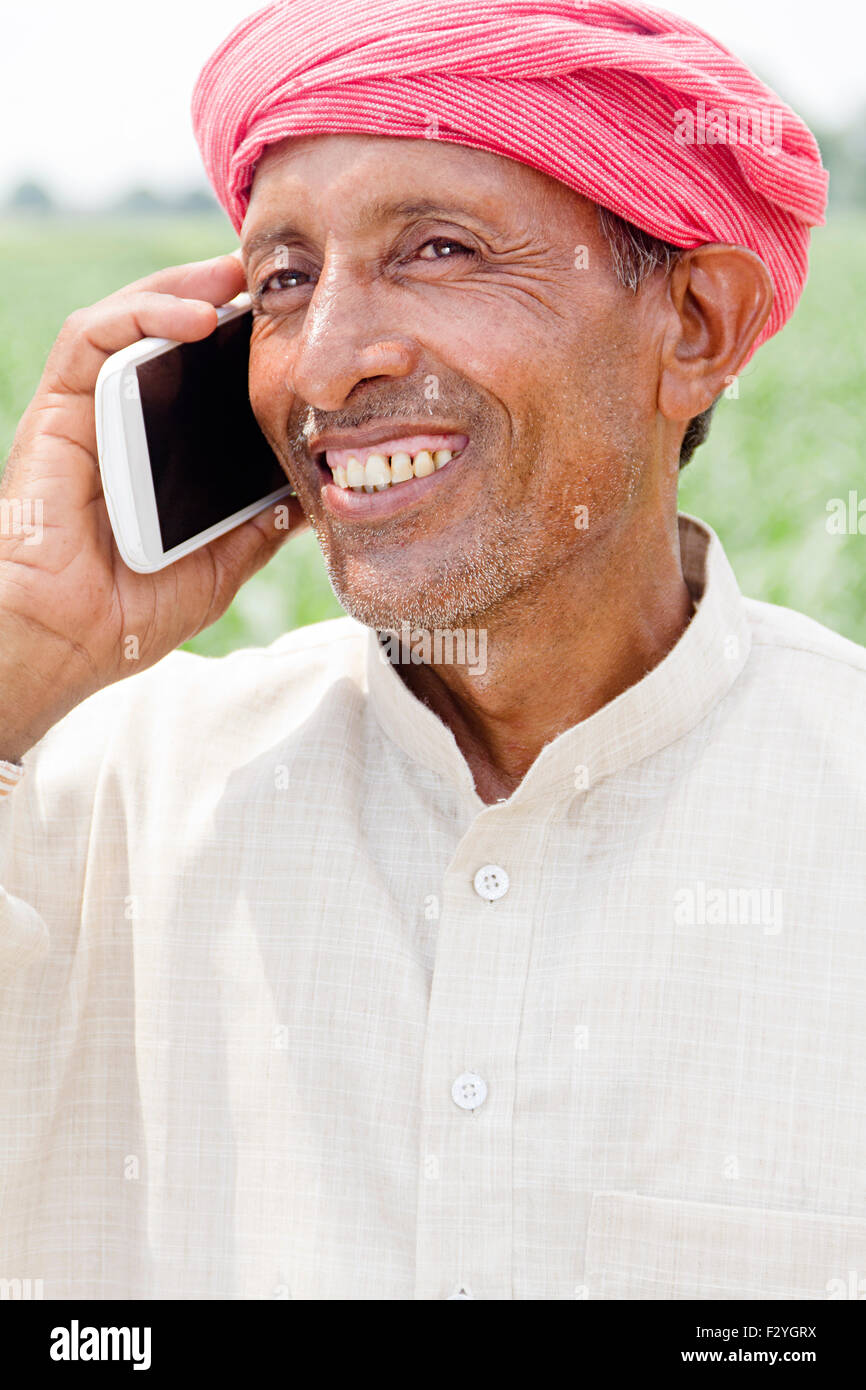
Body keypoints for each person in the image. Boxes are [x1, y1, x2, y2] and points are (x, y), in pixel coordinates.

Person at [0, 0, 864, 1301]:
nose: (330, 364)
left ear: (692, 325)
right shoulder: (96, 796)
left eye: (439, 249)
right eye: (283, 280)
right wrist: (20, 651)